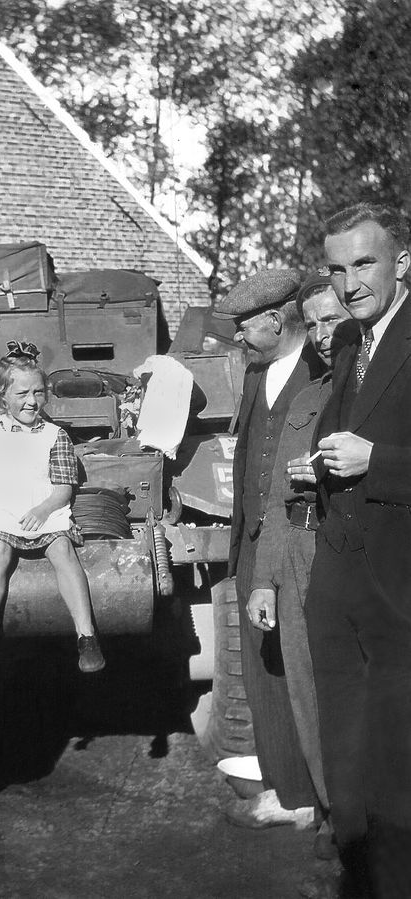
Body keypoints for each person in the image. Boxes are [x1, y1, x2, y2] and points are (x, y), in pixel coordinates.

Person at [294, 203, 411, 899]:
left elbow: (374, 450)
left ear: (403, 260)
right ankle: (356, 869)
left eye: (364, 263)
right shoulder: (344, 345)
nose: (350, 283)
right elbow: (346, 436)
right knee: (346, 745)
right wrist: (321, 463)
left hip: (400, 584)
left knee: (398, 760)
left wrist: (379, 460)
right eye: (338, 270)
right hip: (337, 579)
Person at [246, 270, 354, 860]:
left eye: (330, 318)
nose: (319, 333)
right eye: (311, 323)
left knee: (354, 693)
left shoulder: (377, 390)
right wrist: (264, 578)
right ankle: (331, 819)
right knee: (306, 694)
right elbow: (272, 501)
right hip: (297, 552)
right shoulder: (308, 398)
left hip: (351, 552)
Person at [215, 268, 324, 828]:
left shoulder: (321, 370)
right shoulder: (258, 375)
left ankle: (310, 795)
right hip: (256, 543)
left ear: (276, 319)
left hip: (300, 541)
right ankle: (288, 787)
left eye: (243, 325)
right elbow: (248, 459)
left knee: (301, 667)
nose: (237, 336)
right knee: (264, 668)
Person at [0, 340, 105, 674]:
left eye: (39, 392)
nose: (32, 401)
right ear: (2, 395)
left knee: (63, 550)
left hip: (42, 507)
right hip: (1, 510)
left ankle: (86, 637)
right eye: (22, 394)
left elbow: (63, 488)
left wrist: (44, 510)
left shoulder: (54, 435)